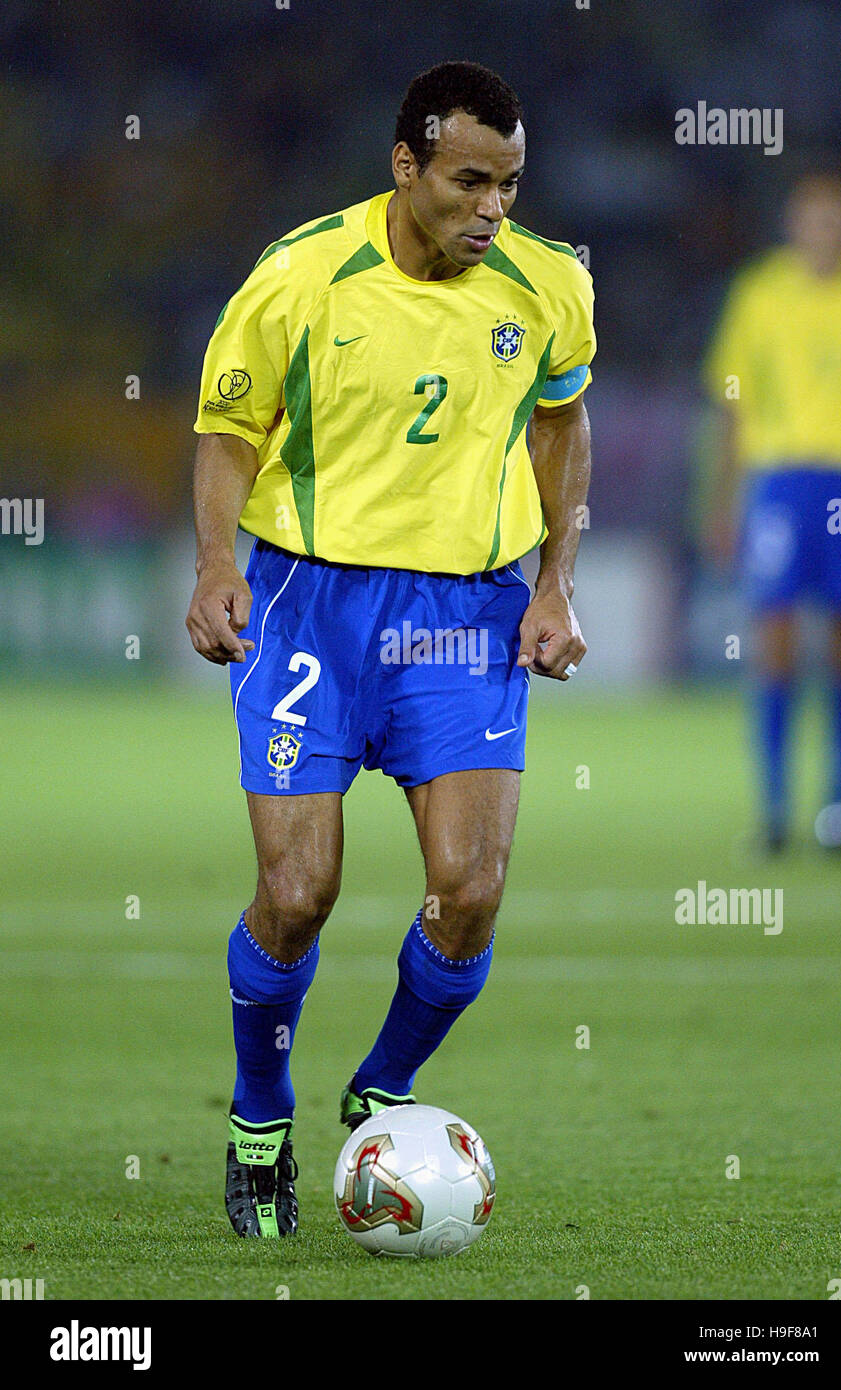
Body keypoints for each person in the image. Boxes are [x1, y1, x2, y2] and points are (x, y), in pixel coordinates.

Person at [186, 61, 595, 1238]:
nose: (492, 208)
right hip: (310, 605)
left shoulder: (549, 283)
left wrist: (553, 584)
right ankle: (259, 1111)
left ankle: (383, 1091)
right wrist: (218, 565)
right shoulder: (301, 274)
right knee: (298, 891)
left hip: (466, 616)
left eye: (510, 184)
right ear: (405, 165)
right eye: (468, 180)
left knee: (467, 893)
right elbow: (225, 428)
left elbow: (563, 427)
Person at [704, 172, 841, 852]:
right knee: (771, 643)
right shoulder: (759, 293)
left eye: (836, 220)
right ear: (793, 226)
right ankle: (772, 811)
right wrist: (722, 501)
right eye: (813, 219)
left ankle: (836, 807)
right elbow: (733, 406)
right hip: (778, 484)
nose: (824, 232)